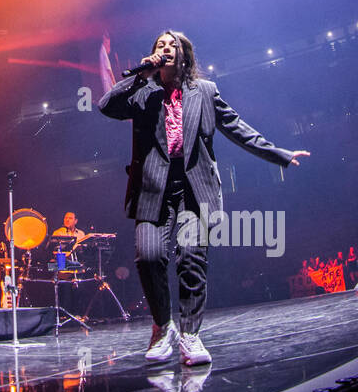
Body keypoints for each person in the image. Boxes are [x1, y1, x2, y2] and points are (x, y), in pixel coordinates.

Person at [99, 29, 310, 366]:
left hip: (195, 188)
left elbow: (237, 127)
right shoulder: (143, 93)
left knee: (191, 261)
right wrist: (142, 74)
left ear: (185, 55)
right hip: (154, 188)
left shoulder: (205, 92)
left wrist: (278, 154)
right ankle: (162, 326)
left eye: (173, 45)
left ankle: (190, 335)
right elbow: (107, 106)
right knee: (149, 257)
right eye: (159, 46)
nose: (166, 49)